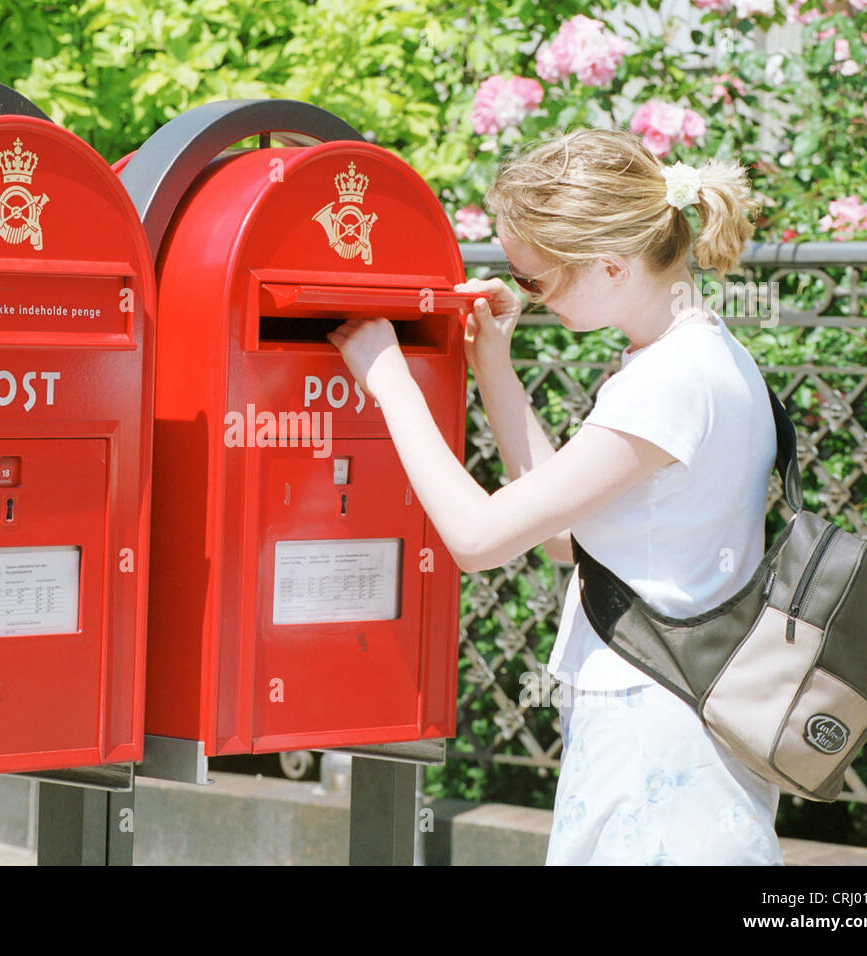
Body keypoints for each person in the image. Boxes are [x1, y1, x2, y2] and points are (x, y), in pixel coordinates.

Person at [327, 127, 785, 865]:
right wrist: (494, 367)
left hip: (655, 736)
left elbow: (478, 539)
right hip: (676, 717)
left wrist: (388, 382)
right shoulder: (703, 356)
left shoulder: (669, 385)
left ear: (609, 265)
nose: (532, 297)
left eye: (537, 281)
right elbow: (570, 539)